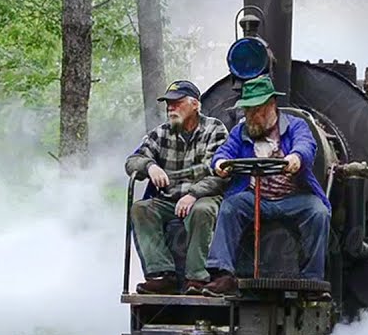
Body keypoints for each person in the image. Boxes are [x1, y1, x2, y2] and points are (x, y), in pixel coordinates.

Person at [202, 75, 331, 296]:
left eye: (256, 111)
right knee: (231, 206)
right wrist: (220, 164)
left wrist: (296, 158)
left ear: (272, 106)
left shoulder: (296, 126)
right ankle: (222, 274)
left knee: (318, 212)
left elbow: (306, 146)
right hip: (255, 198)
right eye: (248, 111)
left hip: (292, 198)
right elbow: (223, 153)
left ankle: (312, 280)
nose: (251, 117)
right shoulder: (240, 131)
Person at [125, 80, 229, 294]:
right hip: (169, 200)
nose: (171, 108)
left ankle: (196, 278)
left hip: (204, 196)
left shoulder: (214, 129)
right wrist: (150, 166)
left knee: (202, 210)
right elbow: (132, 161)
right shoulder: (160, 134)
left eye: (177, 103)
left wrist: (193, 194)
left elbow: (221, 175)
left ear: (195, 105)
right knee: (141, 208)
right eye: (168, 104)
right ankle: (163, 274)